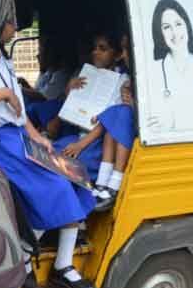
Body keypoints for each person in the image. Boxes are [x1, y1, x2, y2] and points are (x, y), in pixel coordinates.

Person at [0, 14, 96, 288]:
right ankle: (31, 258)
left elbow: (18, 113)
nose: (16, 28)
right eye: (9, 21)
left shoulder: (4, 61)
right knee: (55, 186)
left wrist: (37, 136)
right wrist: (3, 93)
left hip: (19, 137)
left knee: (76, 183)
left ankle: (57, 263)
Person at [53, 32, 136, 212]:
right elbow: (73, 111)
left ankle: (74, 216)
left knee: (62, 161)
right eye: (95, 48)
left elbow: (112, 121)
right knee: (49, 153)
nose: (95, 52)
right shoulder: (88, 75)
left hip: (97, 142)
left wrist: (80, 145)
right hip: (82, 135)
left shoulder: (122, 82)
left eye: (103, 49)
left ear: (116, 55)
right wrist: (70, 91)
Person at [146, 0, 193, 132]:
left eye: (178, 24)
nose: (175, 33)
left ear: (187, 25)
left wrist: (172, 121)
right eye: (166, 27)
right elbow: (150, 122)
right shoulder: (151, 72)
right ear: (160, 34)